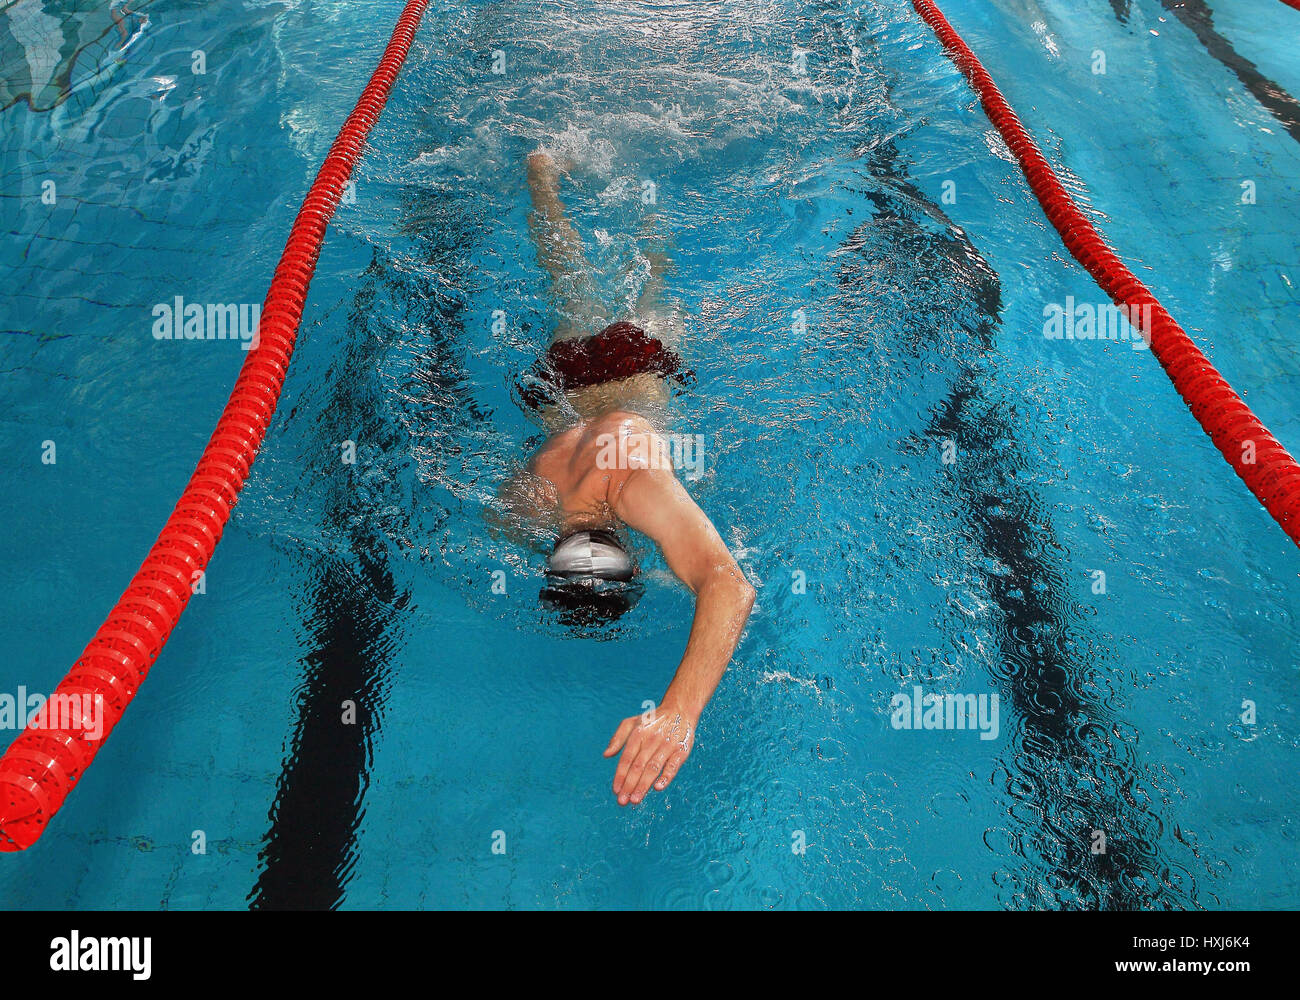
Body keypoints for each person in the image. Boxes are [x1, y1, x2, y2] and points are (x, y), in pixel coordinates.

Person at [495, 150, 755, 807]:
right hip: (560, 383)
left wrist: (678, 714)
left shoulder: (632, 483)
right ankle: (544, 185)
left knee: (655, 285)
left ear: (629, 559)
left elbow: (729, 586)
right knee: (563, 279)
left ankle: (649, 203)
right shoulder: (539, 495)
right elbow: (503, 514)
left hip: (640, 367)